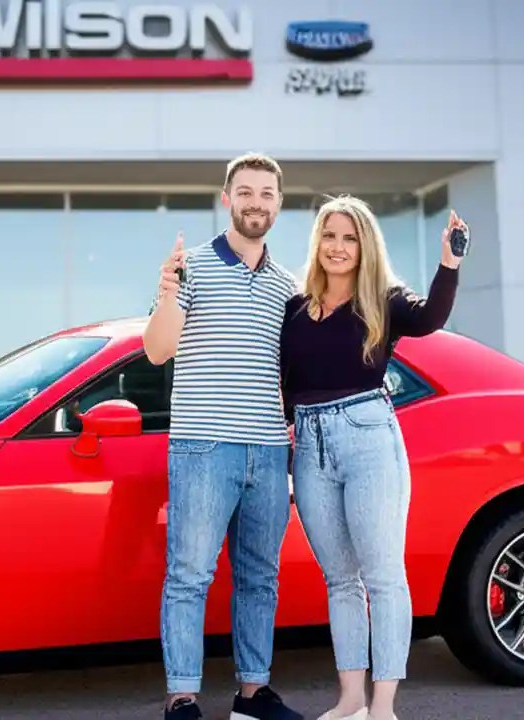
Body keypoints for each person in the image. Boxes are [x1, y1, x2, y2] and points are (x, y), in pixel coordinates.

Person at [280, 195, 466, 720]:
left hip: (368, 438)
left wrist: (449, 264)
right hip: (310, 446)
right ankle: (350, 702)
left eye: (349, 237)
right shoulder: (294, 310)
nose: (338, 247)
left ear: (365, 246)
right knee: (340, 580)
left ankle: (383, 708)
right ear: (318, 242)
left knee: (383, 577)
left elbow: (431, 318)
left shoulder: (383, 300)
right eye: (330, 236)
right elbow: (282, 385)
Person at [144, 152, 305, 720]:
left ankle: (252, 694)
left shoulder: (290, 285)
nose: (256, 202)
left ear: (278, 204)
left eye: (266, 193)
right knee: (190, 575)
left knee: (260, 577)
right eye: (246, 192)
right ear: (227, 198)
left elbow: (291, 371)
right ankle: (182, 698)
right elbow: (158, 350)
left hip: (267, 450)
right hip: (203, 447)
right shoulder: (191, 268)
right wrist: (167, 290)